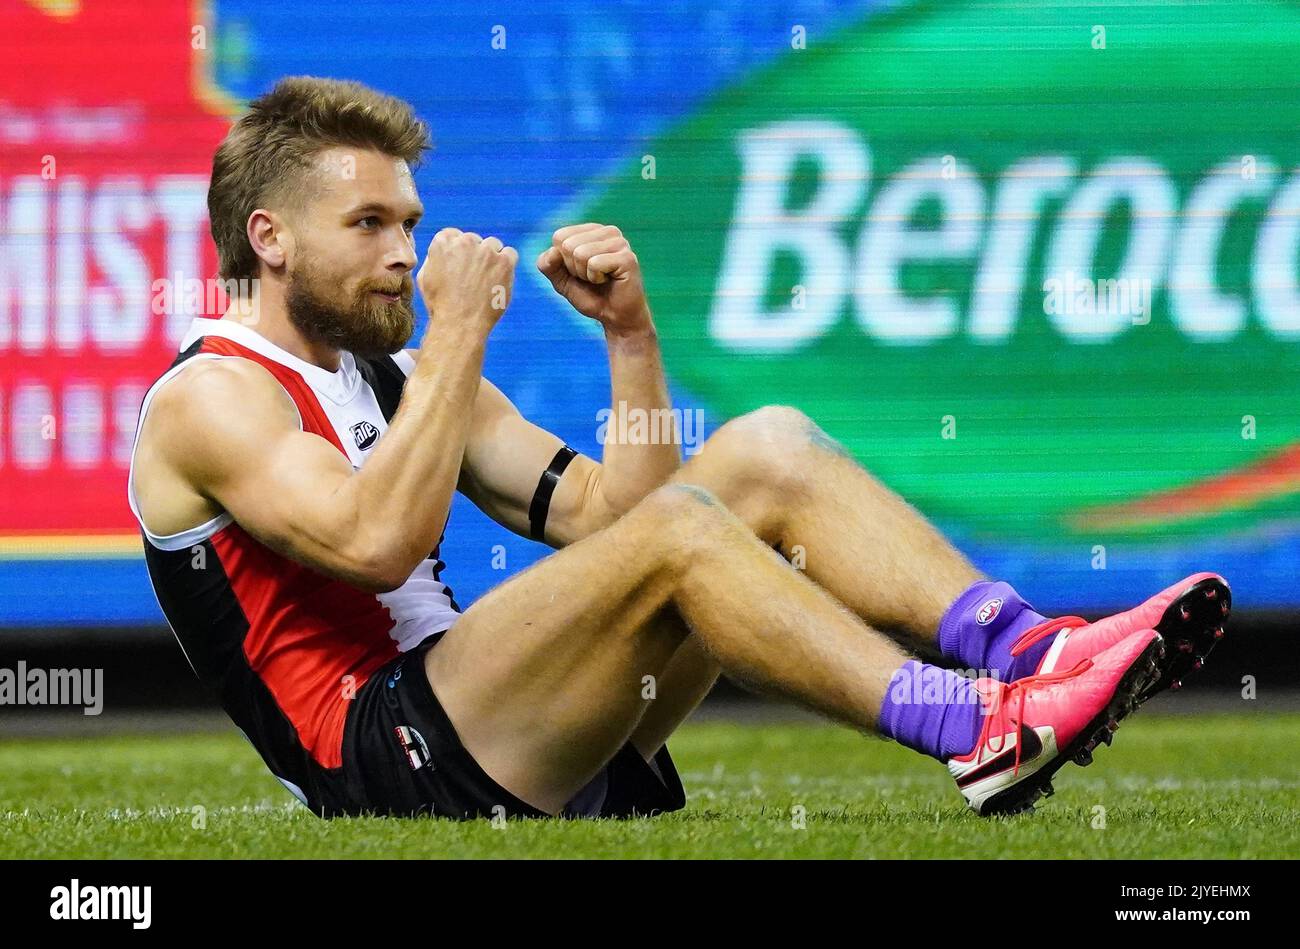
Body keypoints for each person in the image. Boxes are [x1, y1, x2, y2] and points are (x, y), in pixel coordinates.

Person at [127, 76, 1232, 821]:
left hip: (506, 727)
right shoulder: (212, 398)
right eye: (369, 224)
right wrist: (459, 326)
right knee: (691, 529)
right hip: (383, 761)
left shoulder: (403, 379)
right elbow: (371, 543)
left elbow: (622, 521)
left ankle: (1029, 654)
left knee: (766, 449)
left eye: (409, 224)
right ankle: (977, 729)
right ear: (267, 239)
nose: (403, 254)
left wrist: (628, 335)